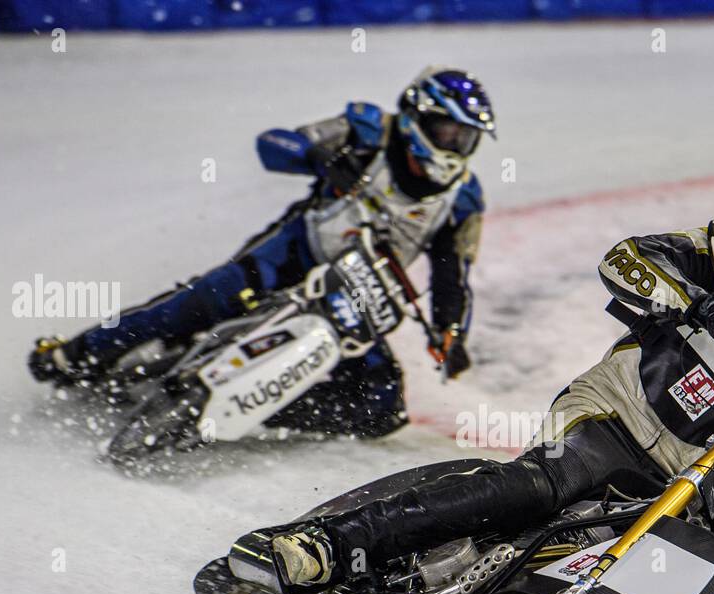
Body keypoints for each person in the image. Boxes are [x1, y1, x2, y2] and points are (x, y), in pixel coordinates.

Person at [271, 184, 714, 594]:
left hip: (675, 485)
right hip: (610, 414)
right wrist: (690, 299)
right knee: (539, 489)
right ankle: (330, 544)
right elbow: (624, 260)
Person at [28, 66, 494, 436]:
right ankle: (74, 355)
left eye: (466, 137)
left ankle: (248, 408)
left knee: (380, 411)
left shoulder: (463, 198)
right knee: (198, 303)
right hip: (292, 255)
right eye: (448, 131)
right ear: (418, 116)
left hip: (358, 297)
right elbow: (272, 144)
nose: (456, 146)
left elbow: (454, 275)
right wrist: (324, 160)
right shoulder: (368, 130)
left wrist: (451, 333)